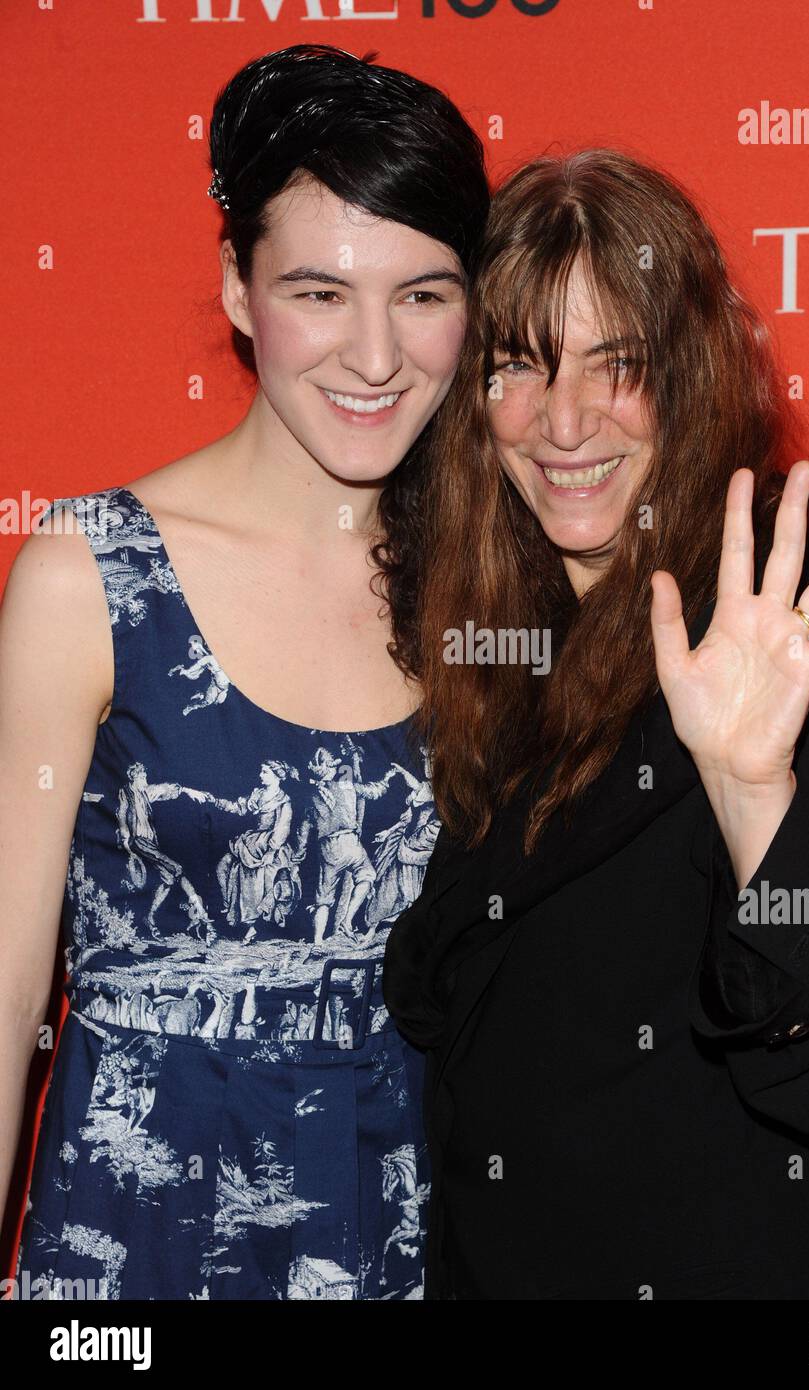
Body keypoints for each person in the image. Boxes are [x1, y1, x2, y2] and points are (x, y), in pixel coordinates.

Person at [382, 149, 809, 1300]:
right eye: (519, 367)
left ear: (687, 376)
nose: (564, 421)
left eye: (615, 365)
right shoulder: (494, 645)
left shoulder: (790, 637)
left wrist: (751, 794)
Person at [0, 43, 488, 1300]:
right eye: (319, 293)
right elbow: (6, 1004)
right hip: (141, 1240)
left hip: (406, 1228)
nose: (376, 356)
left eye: (423, 294)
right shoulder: (91, 577)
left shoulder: (486, 591)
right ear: (235, 287)